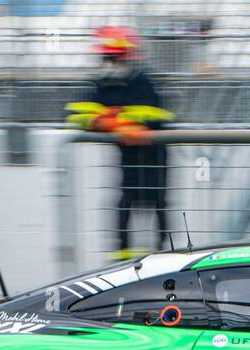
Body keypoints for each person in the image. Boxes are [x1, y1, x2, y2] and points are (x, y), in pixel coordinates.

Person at [67, 26, 175, 259]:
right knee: (126, 202)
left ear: (128, 57)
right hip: (127, 156)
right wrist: (112, 124)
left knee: (158, 202)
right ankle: (122, 254)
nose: (111, 63)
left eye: (115, 58)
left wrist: (114, 119)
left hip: (154, 154)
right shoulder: (101, 84)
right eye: (107, 58)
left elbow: (157, 116)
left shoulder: (144, 82)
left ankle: (163, 252)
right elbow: (77, 114)